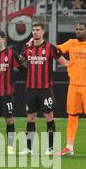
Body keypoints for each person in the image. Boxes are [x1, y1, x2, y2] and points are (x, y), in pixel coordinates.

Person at [57, 22, 86, 156]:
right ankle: (69, 147)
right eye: (76, 29)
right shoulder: (71, 43)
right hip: (73, 85)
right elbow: (56, 50)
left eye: (81, 29)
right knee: (72, 116)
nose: (78, 31)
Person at [18, 21, 60, 154]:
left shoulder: (50, 47)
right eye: (34, 30)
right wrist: (24, 48)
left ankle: (51, 147)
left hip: (45, 89)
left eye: (38, 30)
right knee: (30, 118)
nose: (35, 32)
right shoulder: (27, 47)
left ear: (43, 32)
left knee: (49, 117)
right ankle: (29, 148)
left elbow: (63, 61)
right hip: (31, 89)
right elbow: (19, 60)